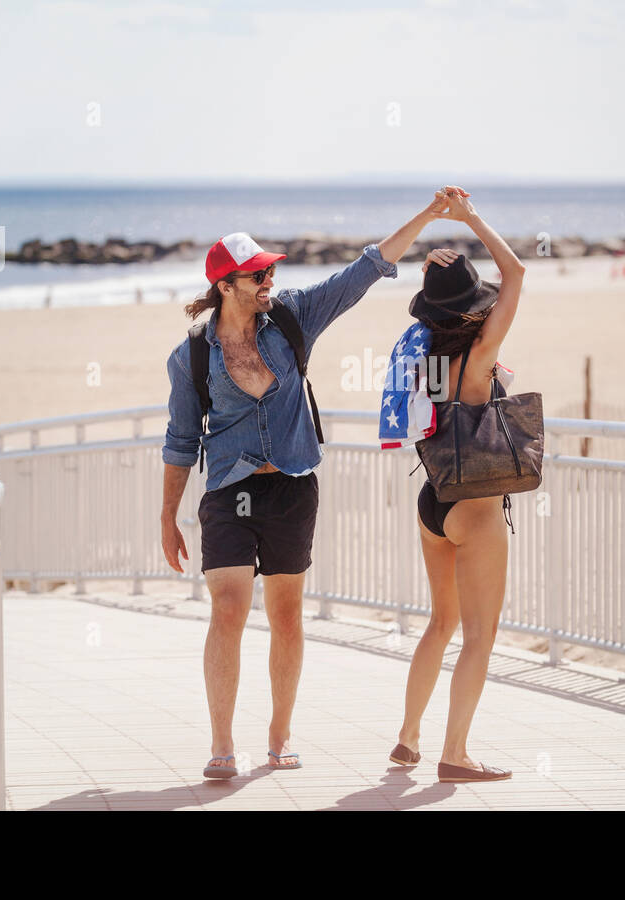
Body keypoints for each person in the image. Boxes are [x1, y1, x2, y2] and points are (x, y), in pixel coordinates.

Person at [160, 193, 457, 780]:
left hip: (292, 486)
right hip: (228, 492)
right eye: (257, 274)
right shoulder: (191, 356)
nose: (270, 279)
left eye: (271, 270)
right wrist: (166, 517)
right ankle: (222, 742)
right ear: (227, 285)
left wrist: (428, 216)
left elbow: (365, 270)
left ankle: (278, 734)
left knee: (288, 614)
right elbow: (178, 440)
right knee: (227, 610)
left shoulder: (293, 317)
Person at [387, 188, 526, 782]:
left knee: (440, 623)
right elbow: (516, 272)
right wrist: (471, 220)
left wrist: (434, 271)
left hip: (431, 500)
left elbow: (441, 306)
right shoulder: (479, 353)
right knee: (479, 636)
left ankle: (408, 738)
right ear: (473, 303)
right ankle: (456, 754)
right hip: (474, 504)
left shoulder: (420, 353)